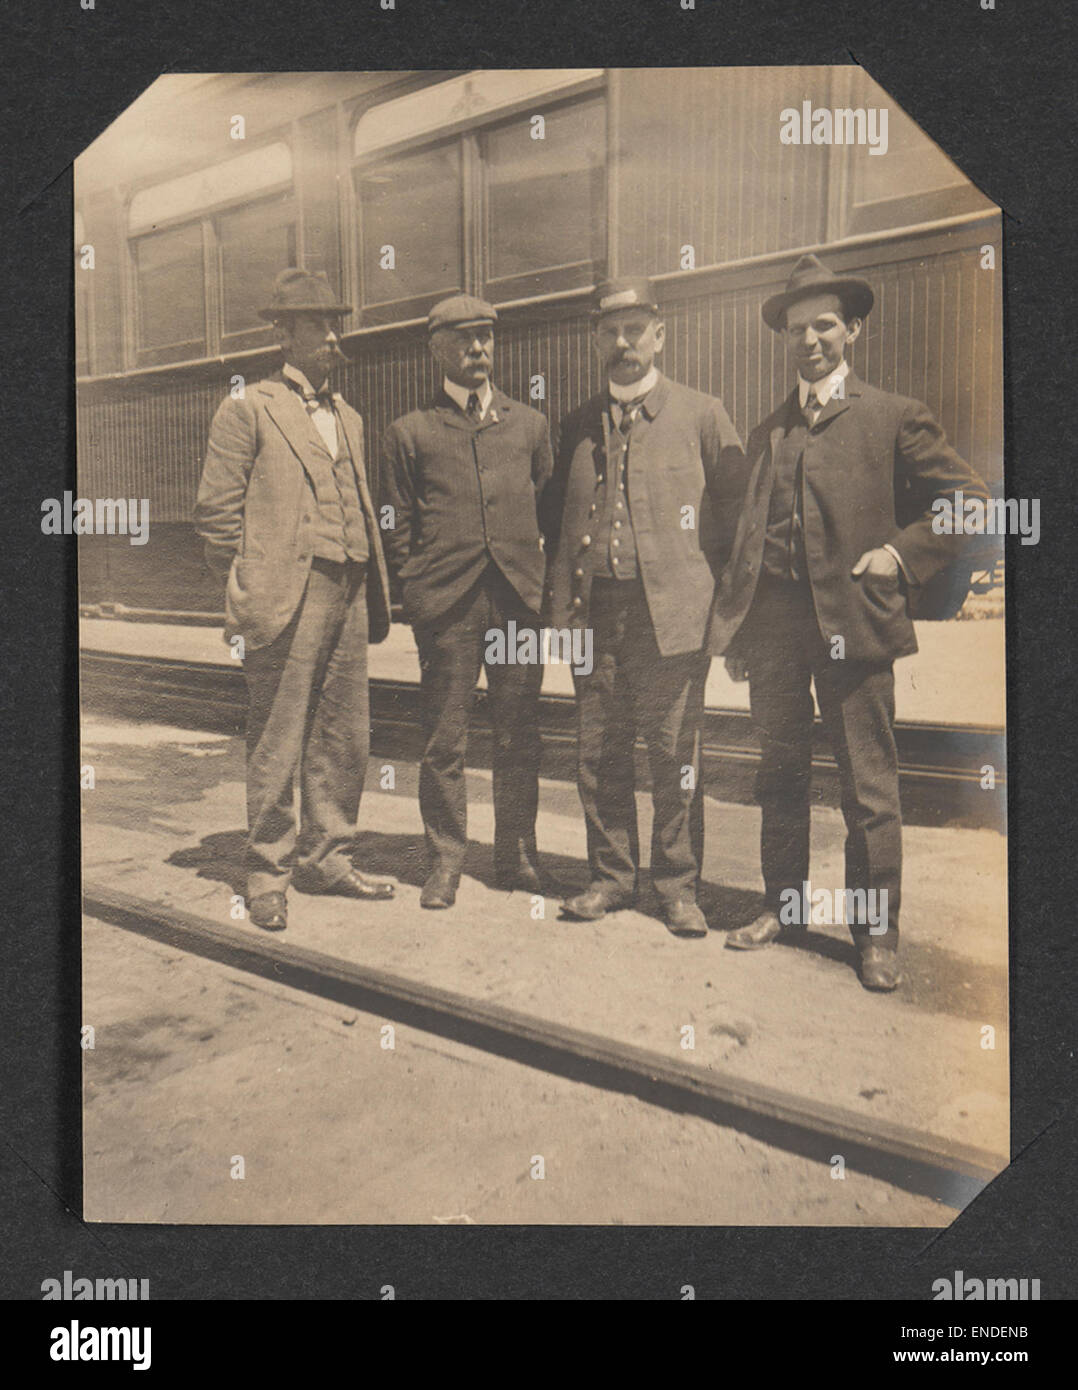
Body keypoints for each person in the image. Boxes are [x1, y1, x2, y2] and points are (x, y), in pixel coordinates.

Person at [711, 253, 990, 990]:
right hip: (774, 634)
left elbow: (968, 502)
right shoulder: (771, 428)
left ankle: (876, 935)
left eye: (824, 325)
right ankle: (784, 907)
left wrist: (898, 556)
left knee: (868, 788)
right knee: (779, 774)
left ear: (853, 330)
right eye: (797, 328)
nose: (809, 340)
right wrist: (738, 631)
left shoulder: (892, 415)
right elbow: (747, 539)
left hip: (854, 628)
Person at [543, 278, 746, 937]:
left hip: (673, 621)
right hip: (596, 618)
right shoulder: (575, 425)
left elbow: (740, 523)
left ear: (660, 334)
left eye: (636, 329)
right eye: (610, 331)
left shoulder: (701, 414)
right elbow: (556, 522)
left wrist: (725, 624)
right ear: (596, 340)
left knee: (672, 758)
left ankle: (678, 889)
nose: (623, 342)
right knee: (599, 753)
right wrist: (562, 619)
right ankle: (609, 878)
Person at [194, 268, 394, 931]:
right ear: (286, 333)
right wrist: (256, 581)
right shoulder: (247, 407)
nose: (336, 338)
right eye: (321, 326)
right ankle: (266, 874)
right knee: (277, 737)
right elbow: (217, 518)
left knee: (345, 734)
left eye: (337, 325)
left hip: (350, 585)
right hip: (287, 595)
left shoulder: (351, 417)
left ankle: (327, 859)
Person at [381, 296, 554, 909]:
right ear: (437, 351)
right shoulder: (411, 432)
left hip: (516, 605)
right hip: (448, 609)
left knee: (518, 735)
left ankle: (516, 853)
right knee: (444, 741)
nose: (478, 349)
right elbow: (396, 524)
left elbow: (545, 507)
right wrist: (418, 592)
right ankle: (446, 860)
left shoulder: (530, 426)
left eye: (485, 338)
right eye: (463, 339)